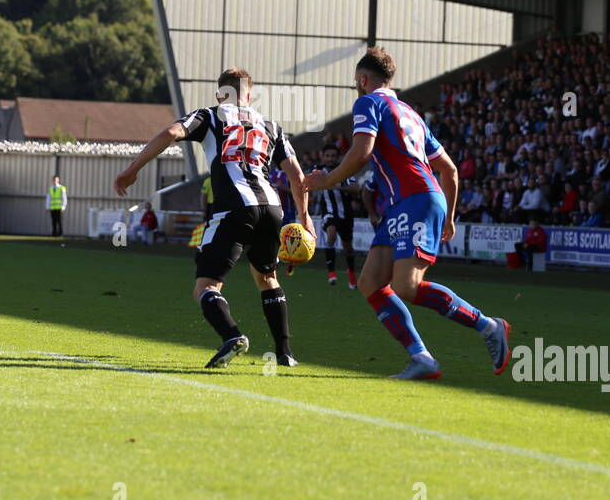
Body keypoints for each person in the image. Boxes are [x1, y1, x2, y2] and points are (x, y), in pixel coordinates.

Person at [304, 47, 510, 381]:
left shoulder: (368, 102)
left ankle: (488, 326)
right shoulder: (410, 113)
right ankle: (422, 358)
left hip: (415, 199)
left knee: (407, 286)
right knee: (371, 281)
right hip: (408, 203)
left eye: (357, 81)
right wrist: (451, 215)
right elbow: (451, 170)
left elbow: (360, 153)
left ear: (363, 79)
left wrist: (326, 179)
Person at [114, 67, 311, 369]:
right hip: (272, 207)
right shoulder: (272, 126)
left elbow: (171, 133)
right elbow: (297, 176)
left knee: (206, 287)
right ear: (250, 93)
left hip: (234, 207)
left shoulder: (210, 116)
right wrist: (305, 217)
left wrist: (131, 170)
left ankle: (232, 336)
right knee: (267, 279)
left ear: (221, 94)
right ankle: (285, 353)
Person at [313, 144, 359, 289]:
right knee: (331, 234)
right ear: (323, 156)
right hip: (329, 212)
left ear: (338, 157)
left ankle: (351, 272)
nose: (330, 159)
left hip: (345, 214)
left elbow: (355, 188)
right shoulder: (318, 171)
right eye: (327, 156)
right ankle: (331, 273)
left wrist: (337, 186)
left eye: (333, 156)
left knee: (347, 246)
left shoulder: (345, 170)